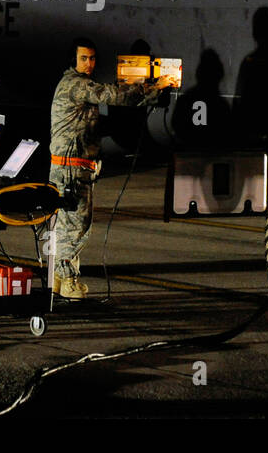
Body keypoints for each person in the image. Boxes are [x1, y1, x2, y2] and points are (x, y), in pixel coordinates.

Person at [48, 37, 177, 297]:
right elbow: (112, 95)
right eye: (83, 58)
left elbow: (89, 123)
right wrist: (155, 88)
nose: (89, 63)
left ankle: (60, 280)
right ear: (73, 60)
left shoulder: (69, 85)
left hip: (66, 167)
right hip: (73, 169)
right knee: (77, 225)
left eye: (92, 58)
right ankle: (69, 280)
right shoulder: (77, 85)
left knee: (65, 226)